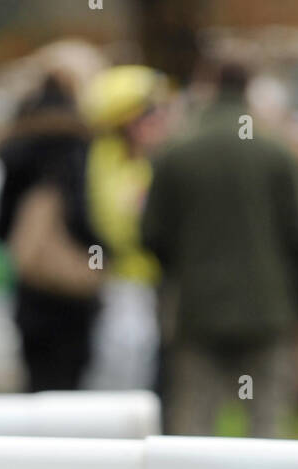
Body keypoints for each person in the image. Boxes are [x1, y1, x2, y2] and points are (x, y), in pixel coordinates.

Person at [140, 63, 298, 438]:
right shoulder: (276, 153)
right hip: (268, 309)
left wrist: (182, 274)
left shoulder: (177, 152)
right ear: (249, 89)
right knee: (267, 421)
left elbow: (152, 235)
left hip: (197, 308)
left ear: (208, 87)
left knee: (194, 419)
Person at [0, 63, 101, 393]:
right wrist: (101, 251)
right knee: (72, 376)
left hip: (30, 282)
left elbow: (0, 220)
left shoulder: (16, 146)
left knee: (36, 376)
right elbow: (82, 213)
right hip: (72, 282)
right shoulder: (78, 142)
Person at [82, 65, 171, 391]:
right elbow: (121, 227)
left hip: (149, 285)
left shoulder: (149, 160)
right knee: (126, 367)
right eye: (150, 113)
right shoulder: (106, 163)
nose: (160, 120)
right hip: (124, 286)